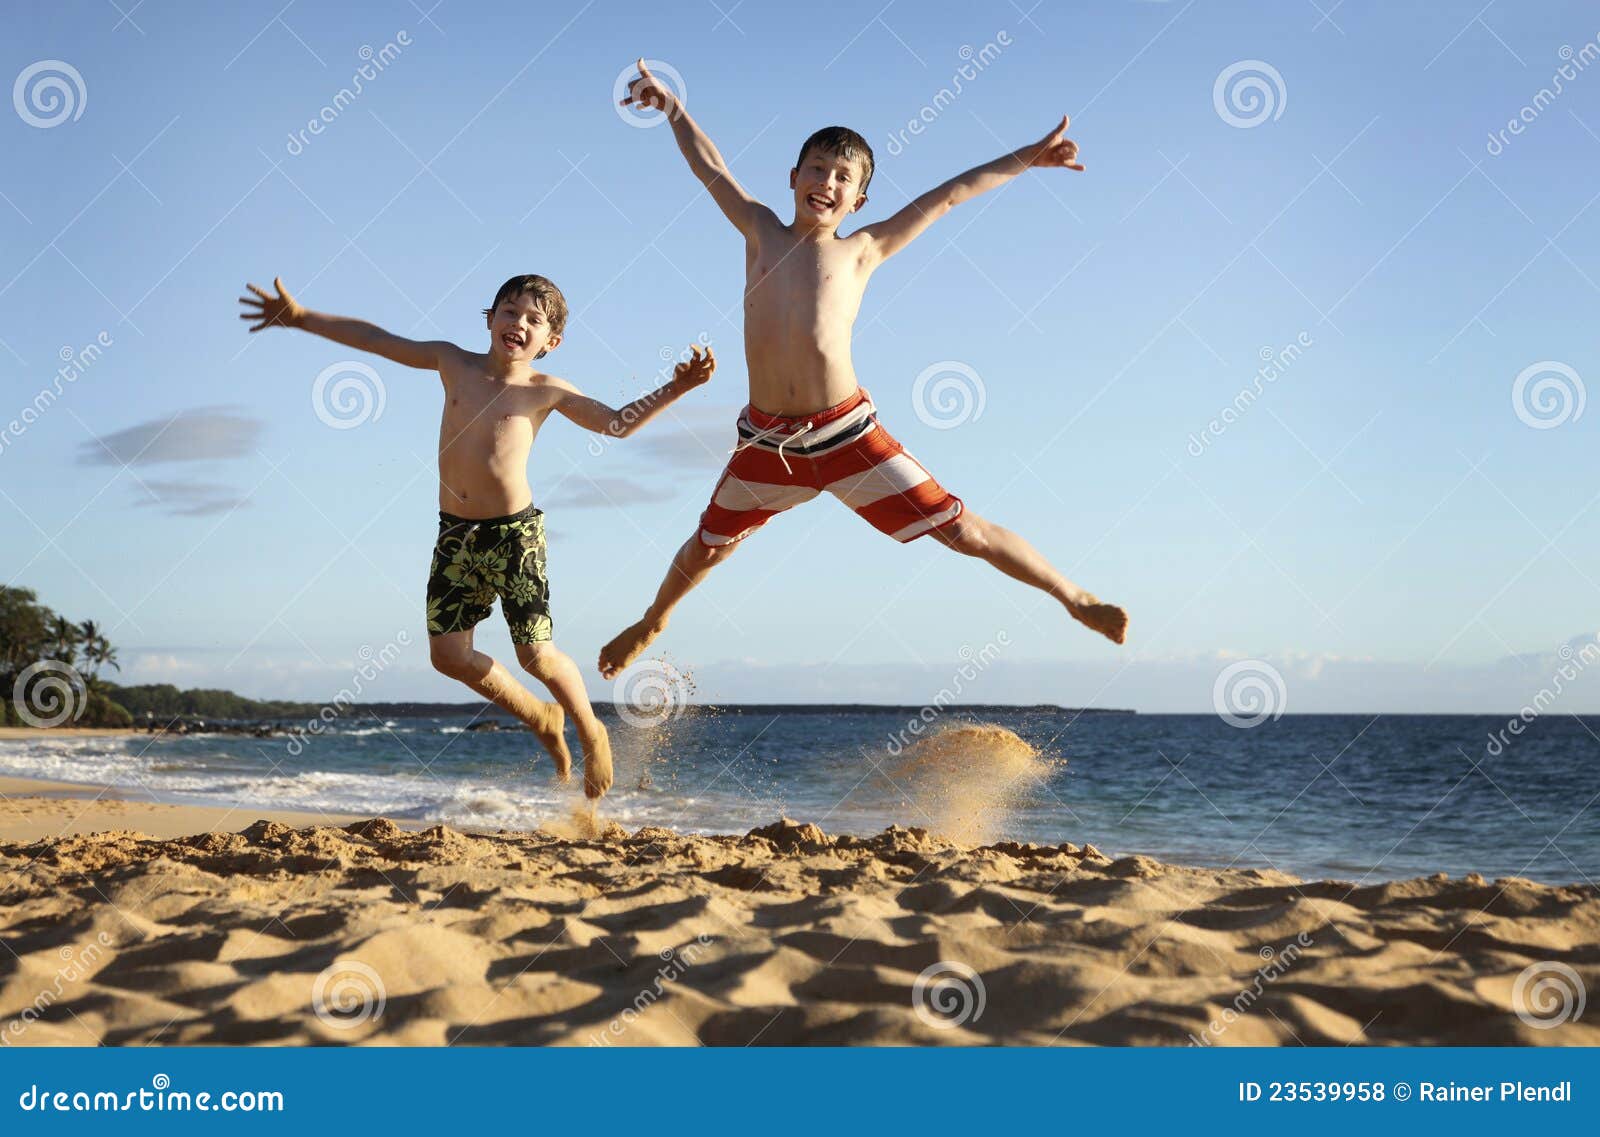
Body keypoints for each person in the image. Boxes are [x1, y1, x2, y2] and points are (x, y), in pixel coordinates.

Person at [598, 62, 1126, 682]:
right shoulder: (760, 231)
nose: (827, 182)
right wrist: (672, 108)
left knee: (964, 531)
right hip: (767, 443)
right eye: (817, 169)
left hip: (847, 435)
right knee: (706, 549)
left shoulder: (863, 249)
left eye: (842, 177)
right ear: (793, 177)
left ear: (859, 201)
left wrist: (1027, 157)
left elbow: (948, 195)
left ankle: (1074, 597)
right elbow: (709, 166)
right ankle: (654, 619)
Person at [240, 272, 716, 797]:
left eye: (534, 319)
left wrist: (678, 387)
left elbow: (615, 424)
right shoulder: (453, 362)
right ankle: (540, 716)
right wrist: (300, 318)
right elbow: (378, 340)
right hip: (456, 535)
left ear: (552, 341)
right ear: (490, 319)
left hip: (515, 537)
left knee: (536, 655)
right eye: (509, 311)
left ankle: (589, 727)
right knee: (448, 656)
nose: (519, 323)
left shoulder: (547, 390)